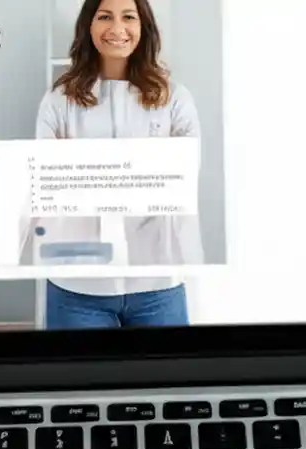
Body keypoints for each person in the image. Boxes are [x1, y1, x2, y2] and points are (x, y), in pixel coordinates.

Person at [32, 0, 203, 329]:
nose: (117, 28)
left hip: (158, 281)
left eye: (128, 17)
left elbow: (182, 179)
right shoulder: (58, 101)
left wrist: (84, 172)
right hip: (78, 286)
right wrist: (141, 172)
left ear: (143, 27)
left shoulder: (174, 98)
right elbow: (47, 185)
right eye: (105, 17)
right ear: (89, 25)